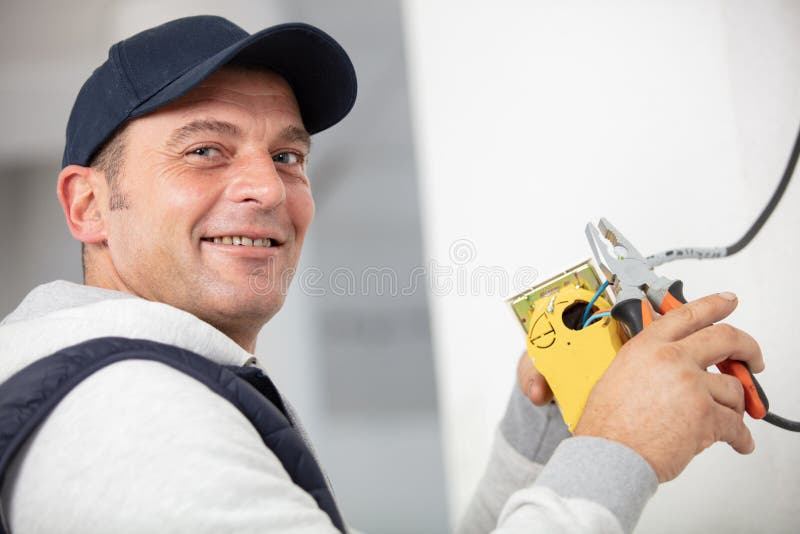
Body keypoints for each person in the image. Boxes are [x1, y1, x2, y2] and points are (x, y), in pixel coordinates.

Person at [0, 15, 763, 534]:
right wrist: (620, 451)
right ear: (89, 204)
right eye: (206, 150)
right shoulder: (129, 416)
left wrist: (551, 441)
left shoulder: (143, 383)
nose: (268, 188)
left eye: (288, 156)